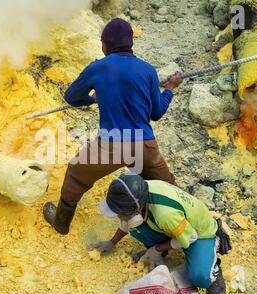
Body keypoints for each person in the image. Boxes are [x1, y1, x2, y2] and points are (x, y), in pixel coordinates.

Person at [43, 18, 183, 235]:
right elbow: (156, 113)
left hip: (111, 146)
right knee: (169, 188)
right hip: (144, 146)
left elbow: (71, 97)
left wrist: (93, 100)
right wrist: (170, 89)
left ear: (105, 44)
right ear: (130, 43)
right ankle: (193, 221)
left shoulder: (97, 68)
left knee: (76, 175)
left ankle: (61, 223)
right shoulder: (147, 70)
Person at [90, 174, 232, 294]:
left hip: (199, 233)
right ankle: (164, 247)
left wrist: (156, 249)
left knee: (200, 277)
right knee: (135, 226)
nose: (120, 217)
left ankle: (213, 265)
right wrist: (112, 242)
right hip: (175, 225)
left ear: (136, 208)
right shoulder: (139, 192)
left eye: (121, 213)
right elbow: (127, 220)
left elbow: (191, 237)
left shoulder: (165, 214)